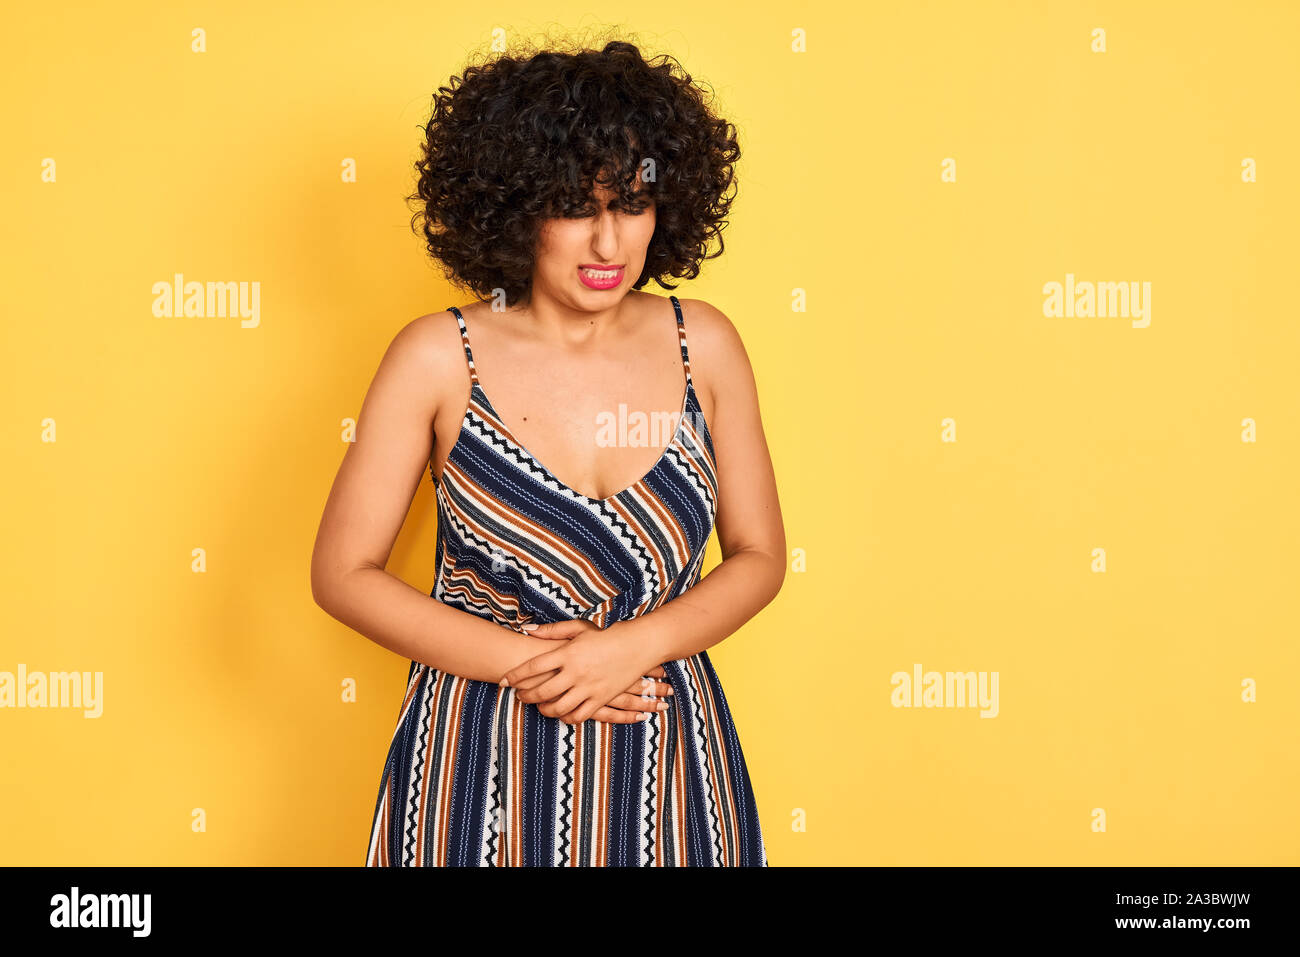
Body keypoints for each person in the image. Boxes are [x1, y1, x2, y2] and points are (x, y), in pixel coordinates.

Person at [311, 38, 785, 866]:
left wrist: (632, 646)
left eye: (631, 205)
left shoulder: (702, 345)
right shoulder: (435, 357)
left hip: (667, 759)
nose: (608, 243)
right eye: (575, 207)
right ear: (516, 206)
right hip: (472, 761)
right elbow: (343, 574)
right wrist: (532, 663)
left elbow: (759, 555)